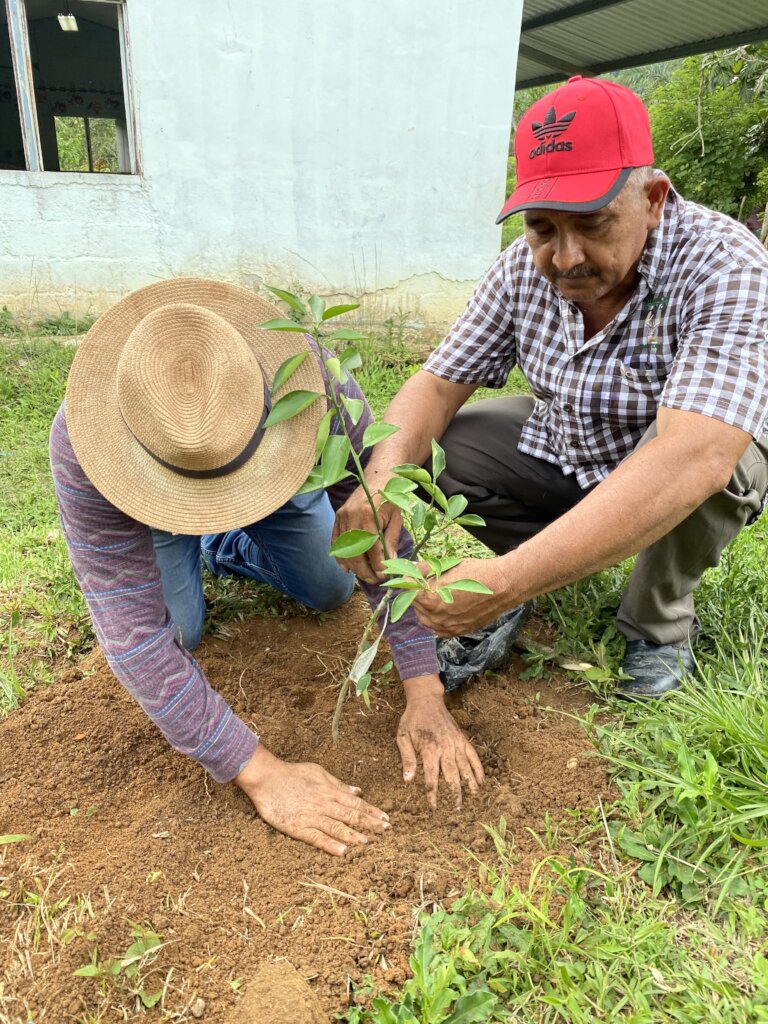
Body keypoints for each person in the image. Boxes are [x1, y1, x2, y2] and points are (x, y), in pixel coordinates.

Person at [334, 76, 768, 698]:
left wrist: (503, 583)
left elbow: (691, 455)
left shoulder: (724, 263)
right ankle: (537, 568)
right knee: (441, 445)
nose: (566, 258)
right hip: (573, 440)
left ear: (653, 199)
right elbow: (434, 386)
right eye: (543, 228)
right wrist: (381, 482)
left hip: (682, 452)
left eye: (593, 223)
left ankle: (656, 625)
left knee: (718, 464)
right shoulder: (521, 268)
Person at [50, 279, 484, 858]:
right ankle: (182, 532)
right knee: (181, 632)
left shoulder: (313, 384)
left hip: (278, 477)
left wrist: (424, 688)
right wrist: (261, 772)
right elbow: (133, 639)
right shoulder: (86, 447)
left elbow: (381, 527)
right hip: (149, 502)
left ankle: (225, 544)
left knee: (331, 586)